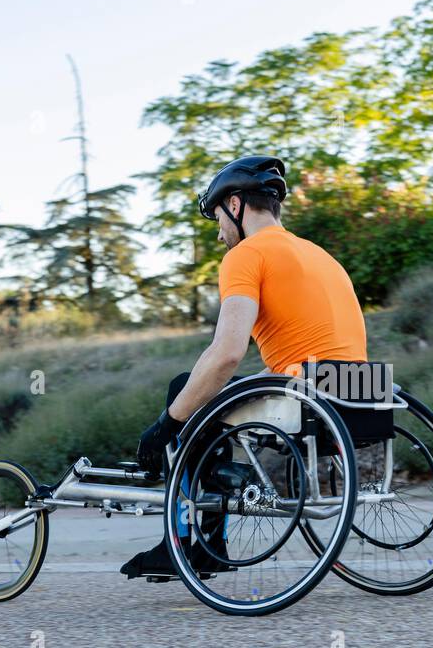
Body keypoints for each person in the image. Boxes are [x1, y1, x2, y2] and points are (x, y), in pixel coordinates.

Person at [120, 154, 368, 579]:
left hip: (304, 395)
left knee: (186, 389)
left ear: (235, 205)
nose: (220, 233)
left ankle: (187, 542)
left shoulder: (246, 255)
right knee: (218, 396)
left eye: (218, 218)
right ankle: (212, 522)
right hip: (360, 390)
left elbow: (226, 353)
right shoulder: (319, 255)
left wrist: (165, 424)